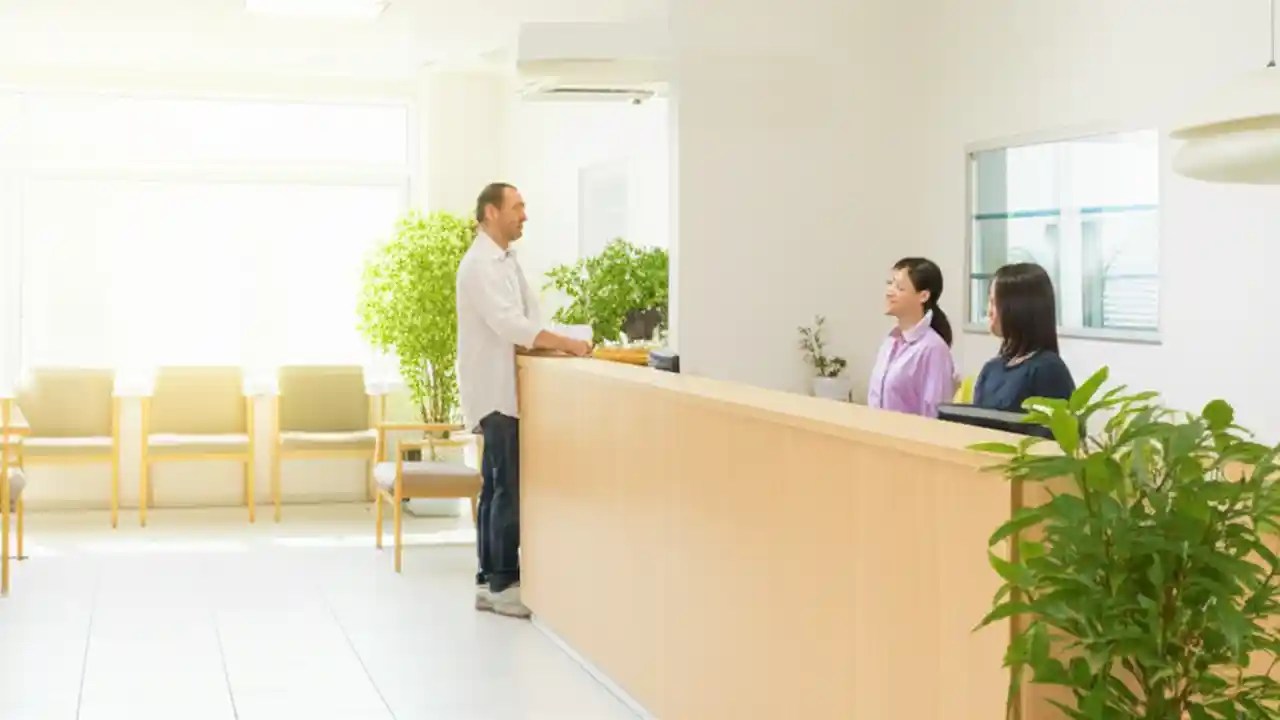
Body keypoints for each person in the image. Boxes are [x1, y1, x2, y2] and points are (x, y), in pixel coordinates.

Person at [456, 182, 592, 619]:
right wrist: (567, 345)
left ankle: (486, 580)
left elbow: (530, 318)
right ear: (491, 212)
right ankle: (503, 582)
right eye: (517, 207)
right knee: (506, 489)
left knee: (496, 487)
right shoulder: (479, 264)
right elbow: (509, 324)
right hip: (494, 392)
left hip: (505, 390)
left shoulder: (506, 261)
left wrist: (558, 340)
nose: (524, 215)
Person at [973, 262, 1075, 412]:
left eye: (994, 303)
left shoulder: (1048, 369)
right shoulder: (991, 369)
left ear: (1018, 309)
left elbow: (1059, 431)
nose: (989, 311)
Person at [867, 257, 956, 418]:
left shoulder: (933, 349)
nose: (889, 292)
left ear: (923, 296)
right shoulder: (890, 341)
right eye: (890, 283)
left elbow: (934, 415)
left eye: (899, 288)